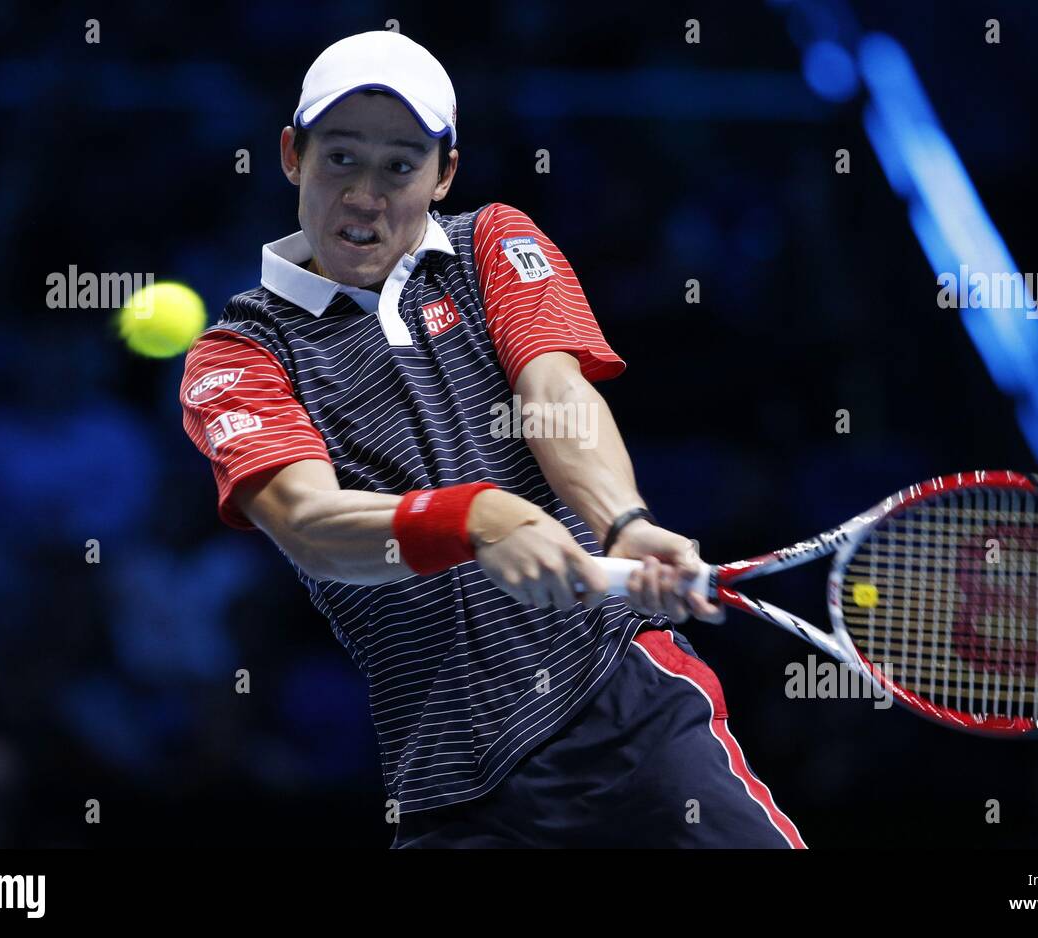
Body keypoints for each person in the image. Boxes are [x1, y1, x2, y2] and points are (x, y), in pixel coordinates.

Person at [179, 29, 804, 848]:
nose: (365, 194)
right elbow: (309, 523)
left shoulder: (490, 246)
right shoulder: (241, 353)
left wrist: (623, 524)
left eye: (400, 166)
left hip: (625, 711)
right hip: (450, 787)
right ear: (293, 155)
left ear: (443, 173)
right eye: (341, 158)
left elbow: (553, 392)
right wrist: (477, 519)